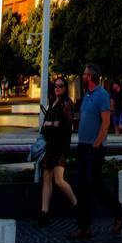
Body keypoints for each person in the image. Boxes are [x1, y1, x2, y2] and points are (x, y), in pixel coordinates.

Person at [68, 63, 122, 240]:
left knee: (92, 184)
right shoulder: (87, 95)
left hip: (94, 147)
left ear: (92, 76)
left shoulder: (102, 95)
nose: (83, 76)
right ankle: (85, 226)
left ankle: (116, 211)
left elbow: (106, 122)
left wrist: (96, 145)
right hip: (83, 145)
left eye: (85, 74)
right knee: (83, 186)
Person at [37, 77, 77, 227]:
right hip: (51, 145)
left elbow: (66, 124)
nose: (58, 88)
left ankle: (77, 205)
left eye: (61, 86)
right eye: (56, 86)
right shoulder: (53, 102)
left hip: (59, 146)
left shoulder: (66, 103)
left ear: (66, 88)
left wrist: (50, 123)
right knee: (47, 177)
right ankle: (44, 213)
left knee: (58, 180)